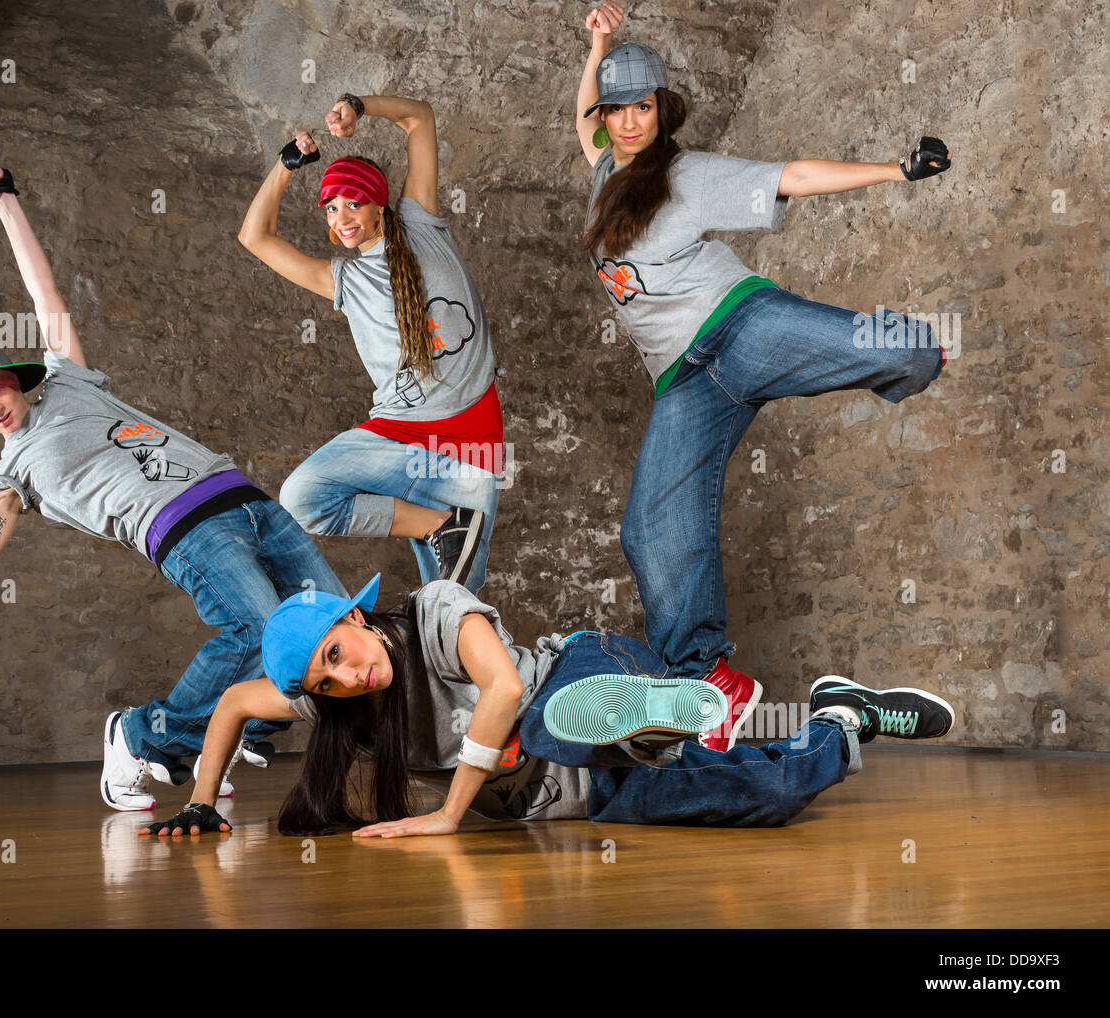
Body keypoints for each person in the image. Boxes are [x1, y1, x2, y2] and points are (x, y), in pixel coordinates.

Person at [0, 163, 348, 812]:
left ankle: (247, 728)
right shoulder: (11, 477)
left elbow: (44, 292)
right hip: (189, 532)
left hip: (246, 498)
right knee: (258, 628)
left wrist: (5, 199)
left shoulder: (68, 380)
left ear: (10, 377)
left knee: (339, 622)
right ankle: (141, 736)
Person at [572, 5, 953, 752]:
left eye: (641, 108)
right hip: (685, 383)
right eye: (615, 111)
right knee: (648, 528)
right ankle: (709, 684)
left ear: (661, 110)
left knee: (901, 348)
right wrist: (600, 45)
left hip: (738, 329)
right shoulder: (598, 173)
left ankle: (919, 353)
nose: (626, 123)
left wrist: (893, 169)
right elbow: (580, 111)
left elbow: (795, 176)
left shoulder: (688, 173)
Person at [141, 575, 954, 837]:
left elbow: (501, 687)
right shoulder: (335, 709)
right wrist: (203, 804)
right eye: (325, 683)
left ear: (353, 619)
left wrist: (448, 813)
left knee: (539, 719)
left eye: (336, 654)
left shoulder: (432, 612)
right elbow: (231, 708)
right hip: (581, 795)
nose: (345, 679)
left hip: (581, 667)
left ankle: (643, 711)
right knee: (771, 796)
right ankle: (842, 719)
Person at [238, 92, 502, 594]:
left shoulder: (422, 224)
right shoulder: (343, 278)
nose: (342, 216)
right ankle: (434, 524)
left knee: (454, 608)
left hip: (469, 442)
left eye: (353, 202)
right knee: (302, 496)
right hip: (397, 438)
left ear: (379, 203)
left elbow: (419, 118)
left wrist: (358, 107)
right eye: (332, 208)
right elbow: (256, 237)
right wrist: (286, 165)